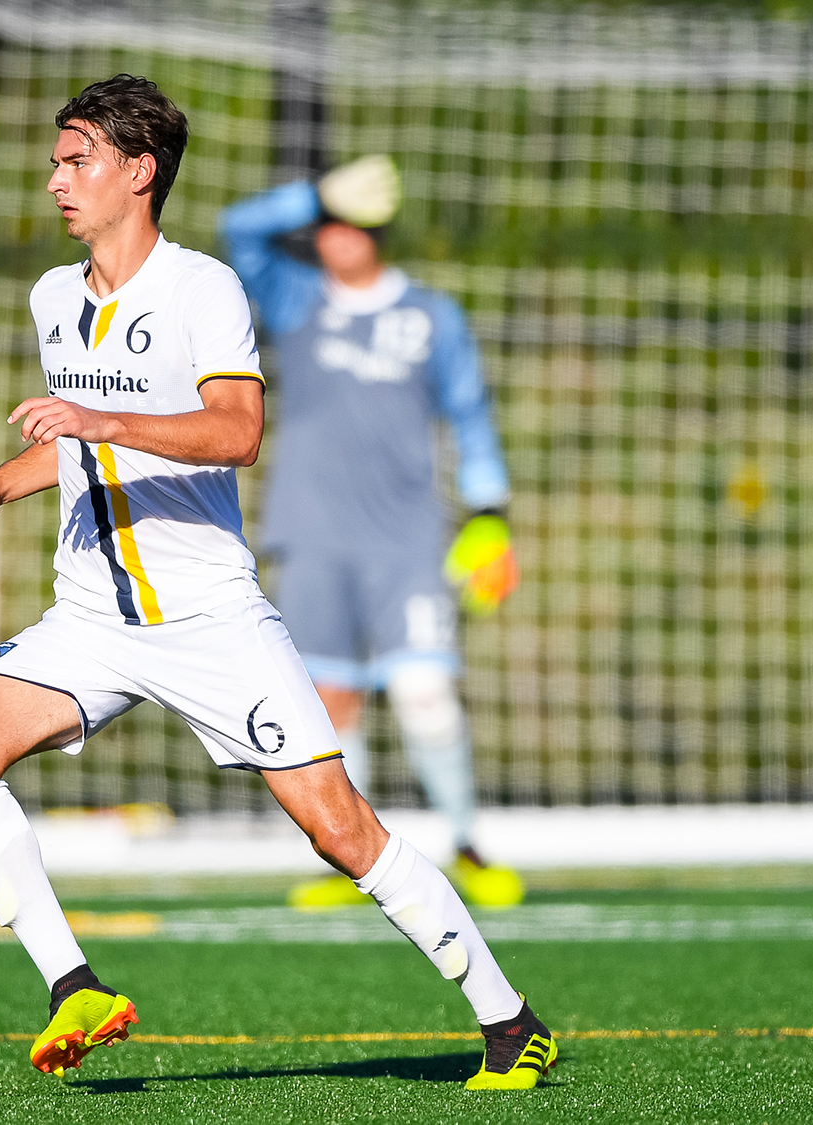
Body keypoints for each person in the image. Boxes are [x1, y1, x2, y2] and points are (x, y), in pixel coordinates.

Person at [0, 76, 556, 1091]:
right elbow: (76, 445)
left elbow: (235, 432)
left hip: (210, 619)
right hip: (89, 618)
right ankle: (74, 985)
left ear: (139, 172)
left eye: (77, 160)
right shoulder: (50, 298)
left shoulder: (201, 288)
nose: (56, 182)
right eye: (55, 161)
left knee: (340, 829)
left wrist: (98, 421)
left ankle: (510, 1020)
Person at [218, 155, 525, 910]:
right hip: (313, 537)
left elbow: (470, 413)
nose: (332, 237)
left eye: (347, 224)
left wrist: (490, 512)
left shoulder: (432, 315)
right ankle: (352, 863)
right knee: (331, 705)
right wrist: (315, 194)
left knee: (426, 694)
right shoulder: (295, 298)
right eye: (324, 226)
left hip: (408, 541)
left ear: (376, 232)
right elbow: (238, 230)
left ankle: (469, 847)